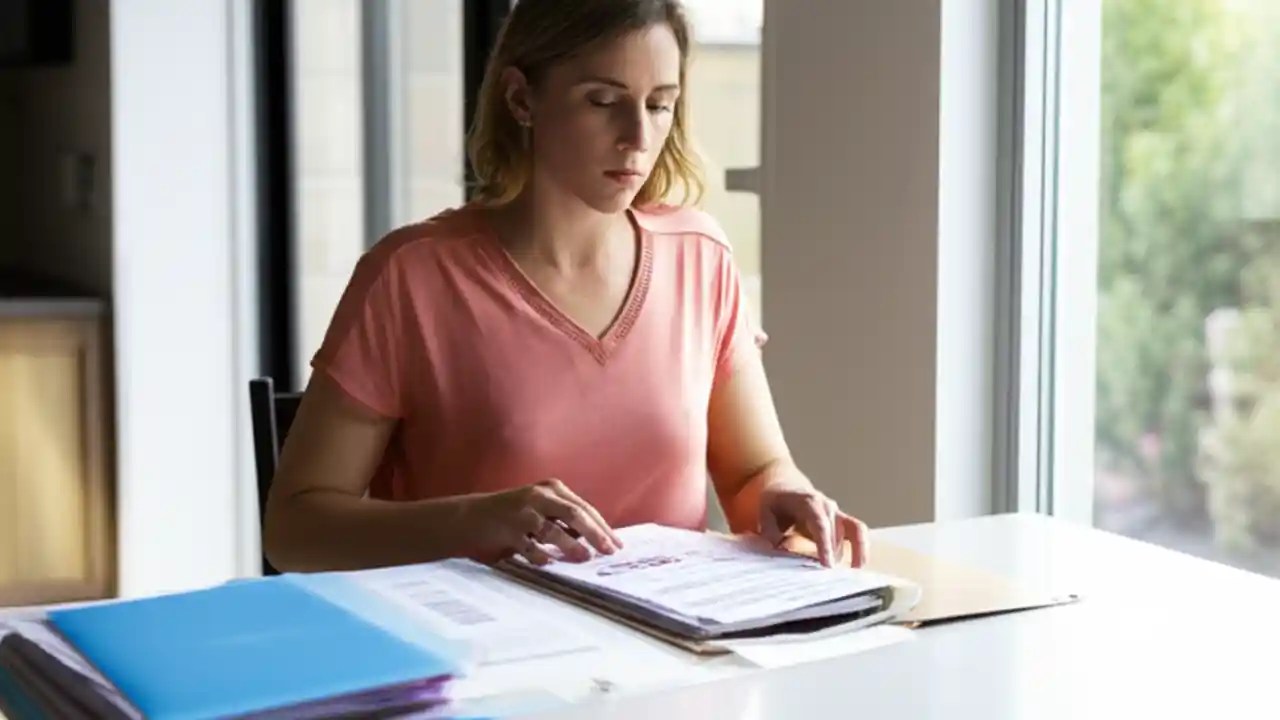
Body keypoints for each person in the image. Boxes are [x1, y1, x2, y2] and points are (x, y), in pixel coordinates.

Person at [262, 0, 868, 574]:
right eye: (604, 101)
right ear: (522, 98)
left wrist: (786, 493)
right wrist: (473, 520)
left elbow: (750, 474)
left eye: (660, 105)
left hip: (669, 657)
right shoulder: (411, 278)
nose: (638, 137)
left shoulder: (701, 257)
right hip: (480, 660)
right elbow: (294, 529)